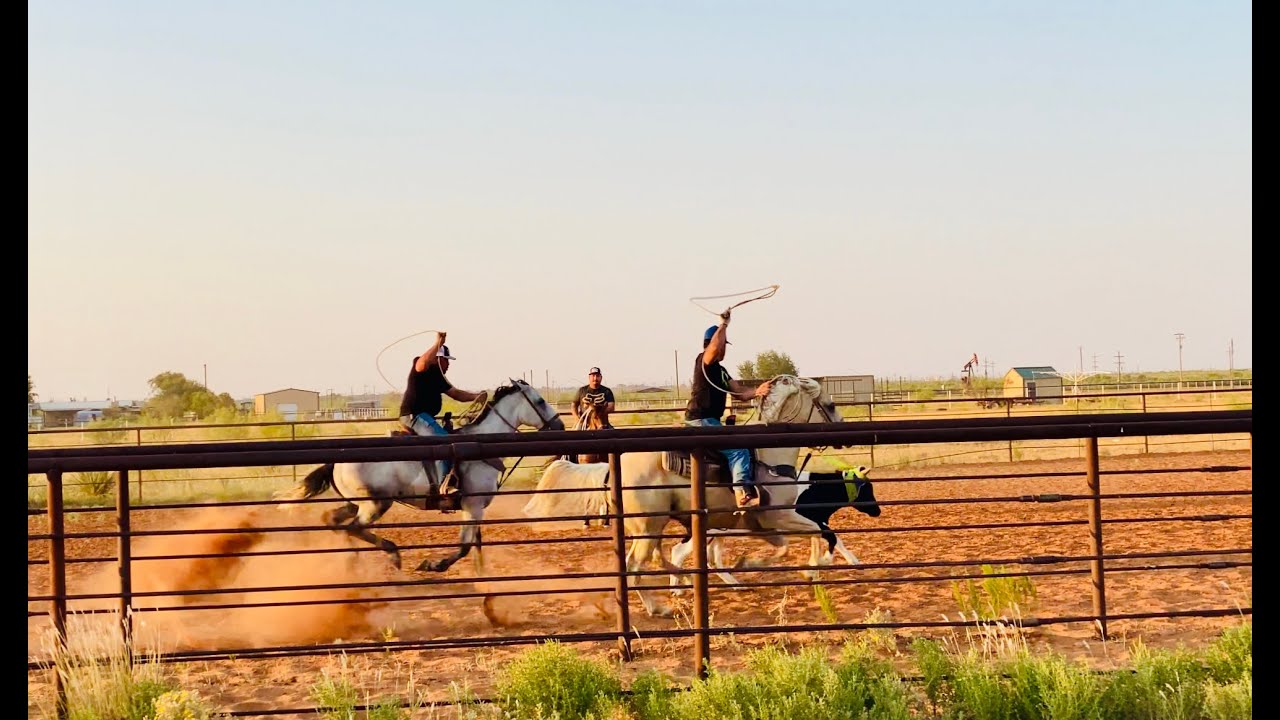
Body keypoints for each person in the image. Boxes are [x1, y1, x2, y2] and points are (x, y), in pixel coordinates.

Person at [685, 310, 772, 508]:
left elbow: (739, 392)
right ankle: (742, 494)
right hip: (702, 420)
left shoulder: (721, 370)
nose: (725, 349)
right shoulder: (704, 361)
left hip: (710, 420)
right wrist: (724, 325)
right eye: (724, 344)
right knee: (738, 450)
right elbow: (713, 350)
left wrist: (758, 391)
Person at [397, 332, 486, 499]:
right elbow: (423, 363)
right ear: (438, 359)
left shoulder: (438, 377)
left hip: (423, 417)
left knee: (447, 439)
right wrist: (438, 342)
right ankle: (443, 485)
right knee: (444, 441)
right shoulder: (422, 366)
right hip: (415, 416)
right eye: (446, 360)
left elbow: (456, 394)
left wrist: (477, 397)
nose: (448, 364)